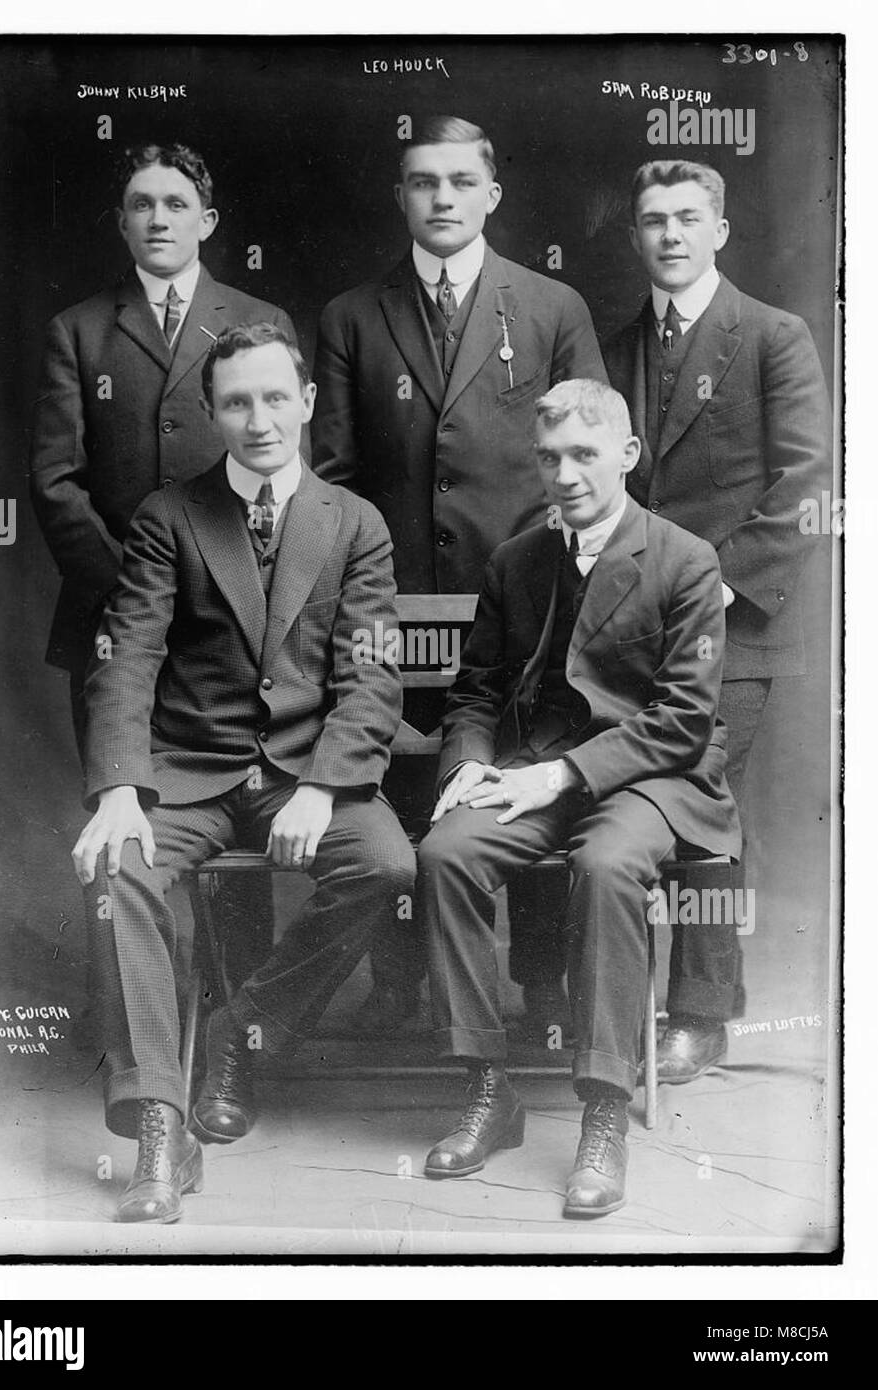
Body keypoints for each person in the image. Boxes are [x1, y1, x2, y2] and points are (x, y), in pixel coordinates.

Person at [70, 324, 414, 1223]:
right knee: (119, 869)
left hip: (308, 772)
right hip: (192, 772)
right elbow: (129, 656)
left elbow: (374, 670)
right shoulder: (167, 516)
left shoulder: (355, 524)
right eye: (235, 402)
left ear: (304, 403)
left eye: (274, 398)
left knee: (383, 864)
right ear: (211, 413)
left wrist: (323, 784)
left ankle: (239, 1035)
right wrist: (118, 790)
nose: (257, 420)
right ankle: (159, 1122)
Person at [416, 380, 740, 1217]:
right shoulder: (516, 561)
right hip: (536, 772)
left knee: (603, 866)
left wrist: (557, 776)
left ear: (626, 457)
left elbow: (683, 720)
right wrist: (464, 767)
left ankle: (603, 1111)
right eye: (550, 456)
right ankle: (489, 1088)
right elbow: (475, 692)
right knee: (445, 853)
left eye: (584, 455)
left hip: (650, 779)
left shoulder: (684, 559)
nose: (564, 475)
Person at [313, 115, 608, 1030]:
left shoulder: (552, 307)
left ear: (491, 194)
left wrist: (561, 578)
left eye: (458, 181)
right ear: (401, 196)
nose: (441, 197)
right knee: (398, 780)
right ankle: (399, 988)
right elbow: (327, 472)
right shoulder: (352, 316)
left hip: (526, 597)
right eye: (421, 181)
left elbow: (590, 458)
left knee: (523, 766)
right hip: (389, 598)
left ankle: (546, 988)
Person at [603, 160, 832, 1082]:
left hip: (732, 624)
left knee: (700, 803)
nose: (669, 234)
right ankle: (613, 999)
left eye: (687, 218)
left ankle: (698, 1011)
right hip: (626, 624)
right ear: (634, 234)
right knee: (630, 802)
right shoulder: (618, 346)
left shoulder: (775, 336)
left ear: (720, 231)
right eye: (652, 218)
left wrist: (712, 588)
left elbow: (806, 483)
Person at [30, 141, 300, 755]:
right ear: (122, 221)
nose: (159, 219)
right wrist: (130, 584)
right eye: (142, 205)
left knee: (235, 793)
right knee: (120, 804)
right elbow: (55, 481)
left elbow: (281, 466)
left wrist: (238, 578)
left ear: (206, 220)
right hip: (112, 607)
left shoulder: (262, 319)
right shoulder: (77, 330)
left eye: (176, 204)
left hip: (235, 607)